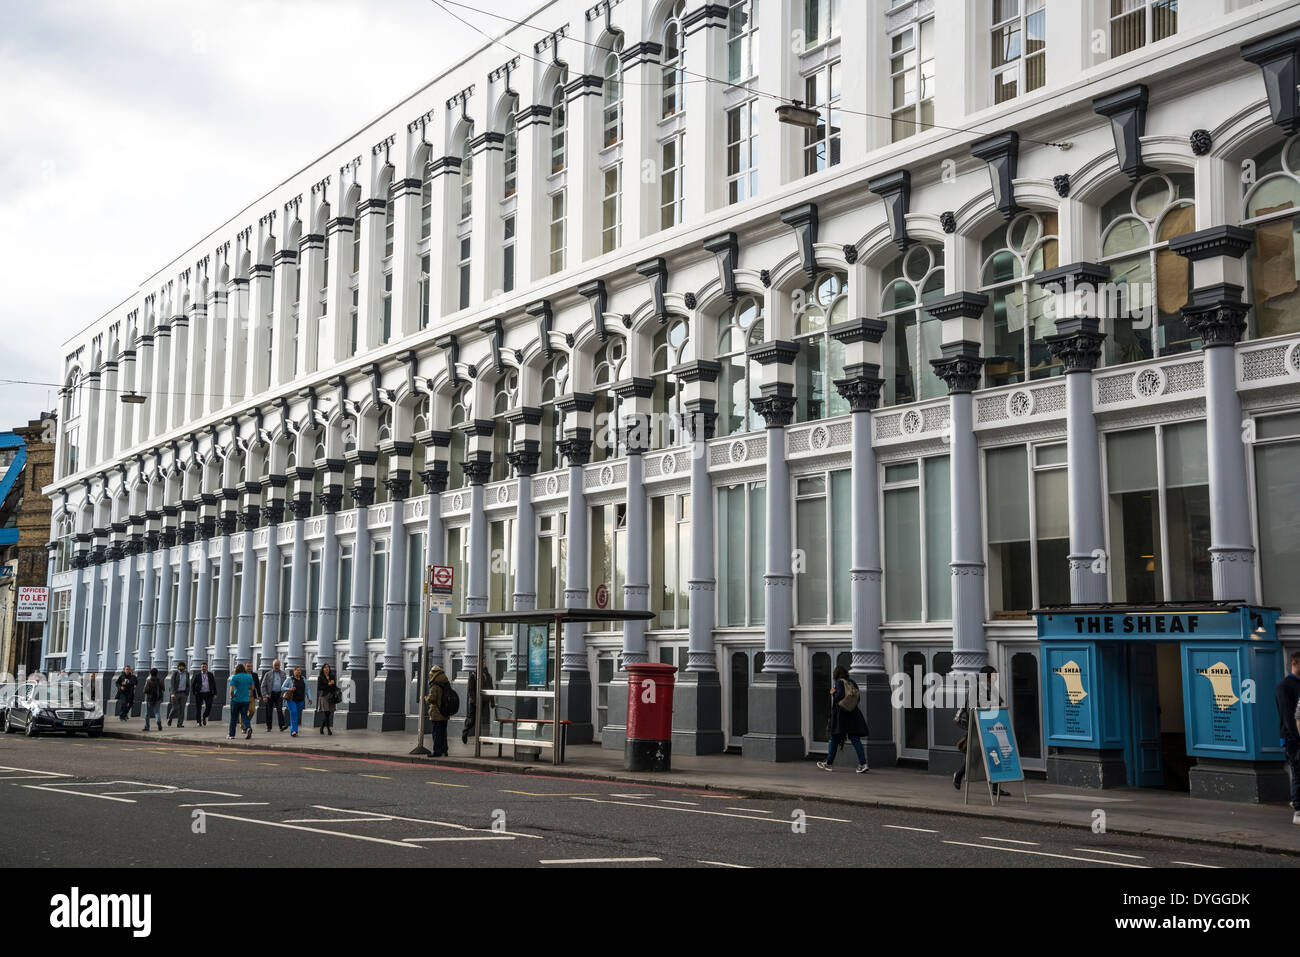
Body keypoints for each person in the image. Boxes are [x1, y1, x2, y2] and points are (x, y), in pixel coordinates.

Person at [816, 666, 869, 773]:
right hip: (853, 713)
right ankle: (863, 764)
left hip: (841, 715)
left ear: (835, 674)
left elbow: (838, 697)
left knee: (834, 738)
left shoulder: (840, 683)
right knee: (855, 739)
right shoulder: (852, 682)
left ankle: (829, 763)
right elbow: (857, 698)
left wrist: (833, 693)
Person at [1274, 651, 1300, 826]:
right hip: (1293, 739)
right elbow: (1287, 716)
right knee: (1298, 772)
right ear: (1295, 664)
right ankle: (1298, 810)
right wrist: (1296, 738)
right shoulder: (1284, 686)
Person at [424, 664, 452, 757]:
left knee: (436, 733)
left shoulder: (435, 685)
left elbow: (432, 699)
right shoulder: (446, 682)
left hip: (436, 712)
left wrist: (426, 698)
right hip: (445, 712)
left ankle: (437, 751)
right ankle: (444, 750)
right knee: (443, 733)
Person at [462, 668, 492, 745]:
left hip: (485, 701)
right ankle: (465, 731)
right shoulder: (473, 676)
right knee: (472, 720)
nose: (484, 664)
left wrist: (492, 701)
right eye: (482, 662)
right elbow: (470, 690)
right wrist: (475, 701)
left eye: (484, 662)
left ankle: (486, 739)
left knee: (485, 720)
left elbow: (490, 688)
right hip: (475, 702)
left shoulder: (488, 675)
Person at [228, 664, 255, 741]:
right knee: (244, 716)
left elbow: (232, 690)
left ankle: (231, 735)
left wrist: (232, 696)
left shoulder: (235, 677)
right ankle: (248, 728)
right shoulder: (249, 677)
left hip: (236, 700)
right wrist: (246, 687)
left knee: (233, 718)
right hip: (246, 700)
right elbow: (252, 688)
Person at [284, 665, 312, 736]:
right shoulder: (289, 679)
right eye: (297, 670)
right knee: (294, 712)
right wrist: (289, 689)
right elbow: (282, 687)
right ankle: (294, 731)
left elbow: (307, 689)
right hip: (291, 700)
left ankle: (293, 730)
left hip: (300, 700)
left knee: (295, 715)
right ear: (294, 671)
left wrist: (309, 698)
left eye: (300, 670)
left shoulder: (303, 679)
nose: (298, 672)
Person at [261, 659, 287, 732]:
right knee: (269, 711)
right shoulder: (268, 674)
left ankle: (282, 726)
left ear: (280, 665)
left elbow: (285, 685)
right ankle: (269, 727)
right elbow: (263, 686)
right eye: (275, 665)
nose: (276, 666)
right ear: (272, 665)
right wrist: (264, 696)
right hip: (270, 695)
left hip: (279, 694)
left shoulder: (283, 674)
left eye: (278, 665)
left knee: (279, 710)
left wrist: (284, 694)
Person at [316, 663, 338, 736]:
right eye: (325, 667)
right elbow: (319, 688)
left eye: (328, 667)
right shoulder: (320, 677)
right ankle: (328, 729)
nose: (327, 668)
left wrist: (333, 684)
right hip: (324, 696)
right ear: (323, 669)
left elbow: (334, 687)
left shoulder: (332, 676)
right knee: (326, 713)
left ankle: (322, 727)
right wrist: (328, 684)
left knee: (328, 714)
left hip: (331, 696)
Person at [167, 662, 190, 728]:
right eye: (180, 666)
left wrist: (187, 693)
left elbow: (188, 684)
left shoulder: (187, 674)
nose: (181, 668)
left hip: (183, 693)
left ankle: (179, 724)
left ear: (184, 667)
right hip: (175, 693)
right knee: (175, 708)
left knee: (182, 709)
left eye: (182, 666)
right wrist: (172, 693)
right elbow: (172, 684)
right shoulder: (175, 673)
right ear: (178, 667)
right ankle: (170, 718)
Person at [193, 662, 215, 727]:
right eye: (202, 667)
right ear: (201, 668)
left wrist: (215, 693)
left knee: (209, 706)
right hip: (199, 693)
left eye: (205, 667)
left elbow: (213, 684)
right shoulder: (197, 675)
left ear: (207, 667)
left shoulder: (210, 674)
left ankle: (204, 716)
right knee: (198, 708)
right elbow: (193, 684)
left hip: (208, 693)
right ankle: (198, 722)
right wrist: (194, 692)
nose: (204, 668)